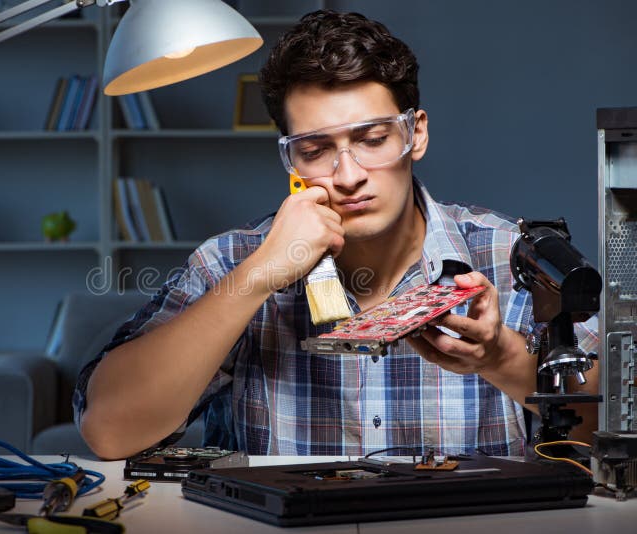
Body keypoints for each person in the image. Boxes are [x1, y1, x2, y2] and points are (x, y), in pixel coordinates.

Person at [74, 10, 599, 459]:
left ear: (415, 134)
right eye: (315, 149)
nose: (348, 175)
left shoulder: (514, 255)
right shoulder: (231, 260)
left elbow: (614, 433)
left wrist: (501, 358)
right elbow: (110, 430)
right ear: (290, 158)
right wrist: (256, 277)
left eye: (372, 139)